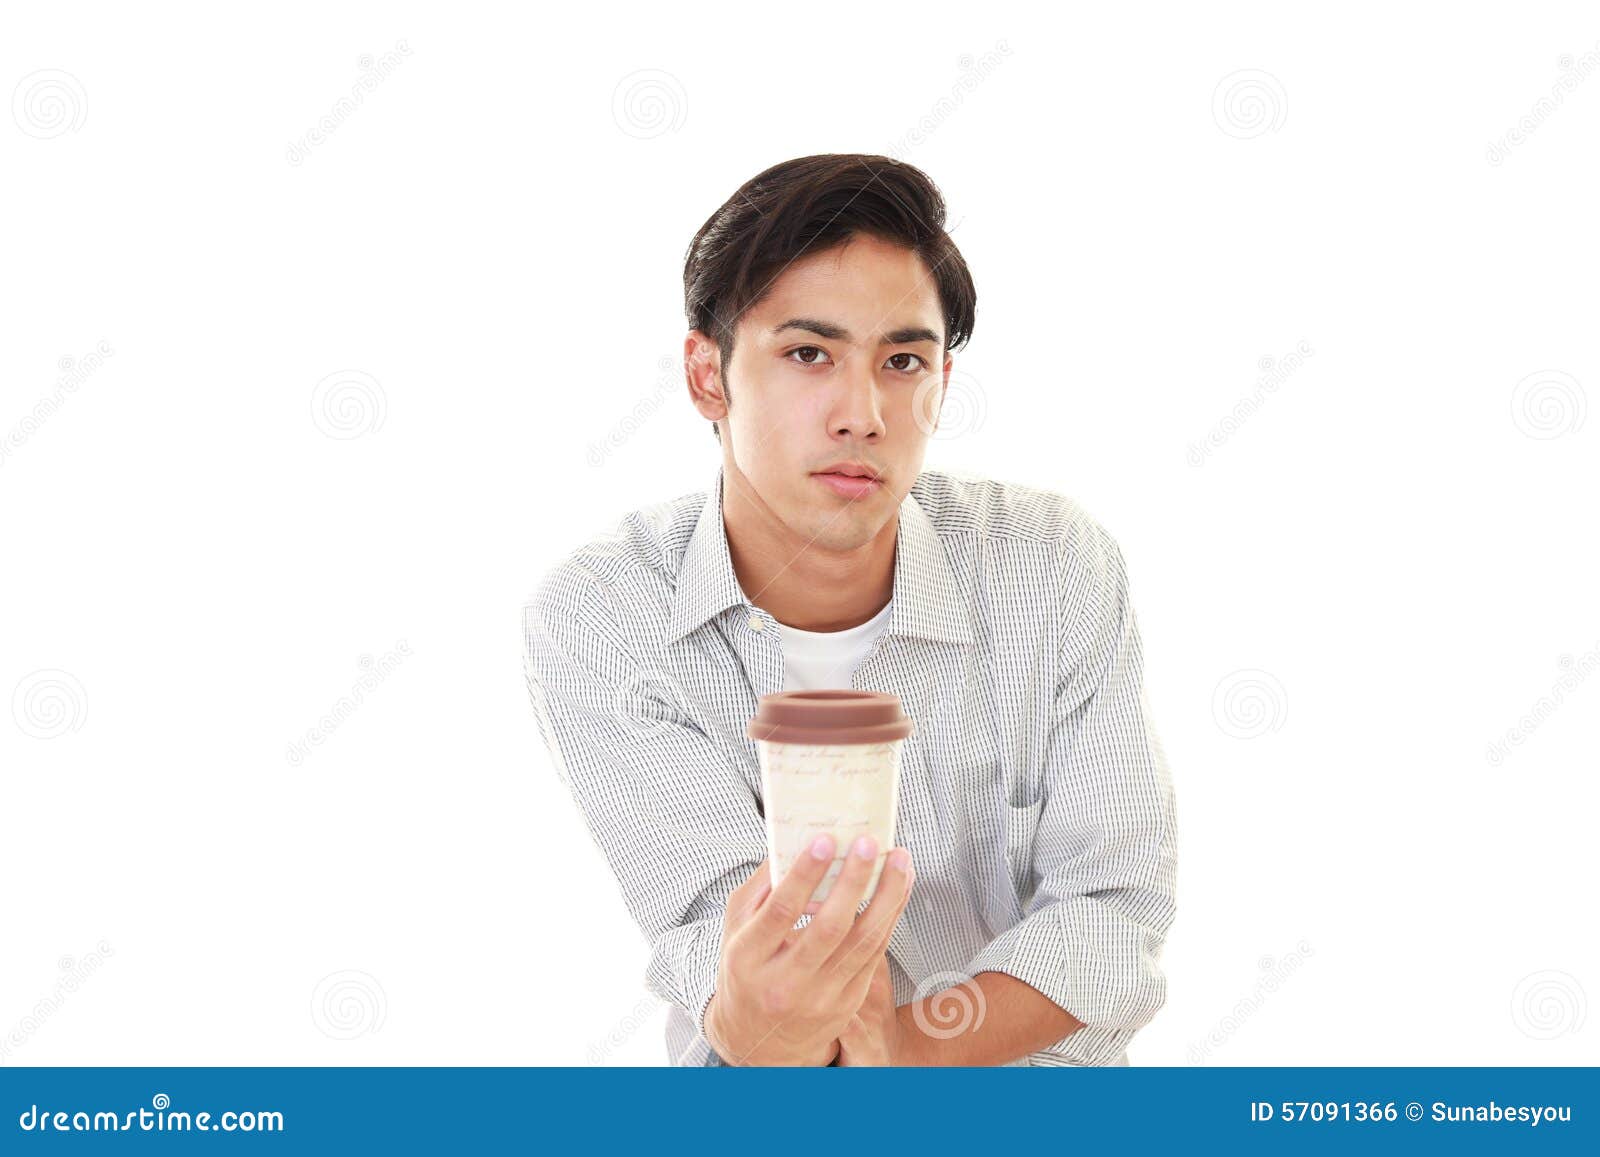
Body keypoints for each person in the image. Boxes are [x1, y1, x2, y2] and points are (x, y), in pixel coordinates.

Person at [522, 154, 1177, 1066]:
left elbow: (1112, 914)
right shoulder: (607, 613)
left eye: (902, 360)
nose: (862, 412)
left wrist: (903, 1053)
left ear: (942, 381)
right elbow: (718, 953)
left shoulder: (1053, 563)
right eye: (808, 354)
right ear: (708, 376)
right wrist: (781, 1031)